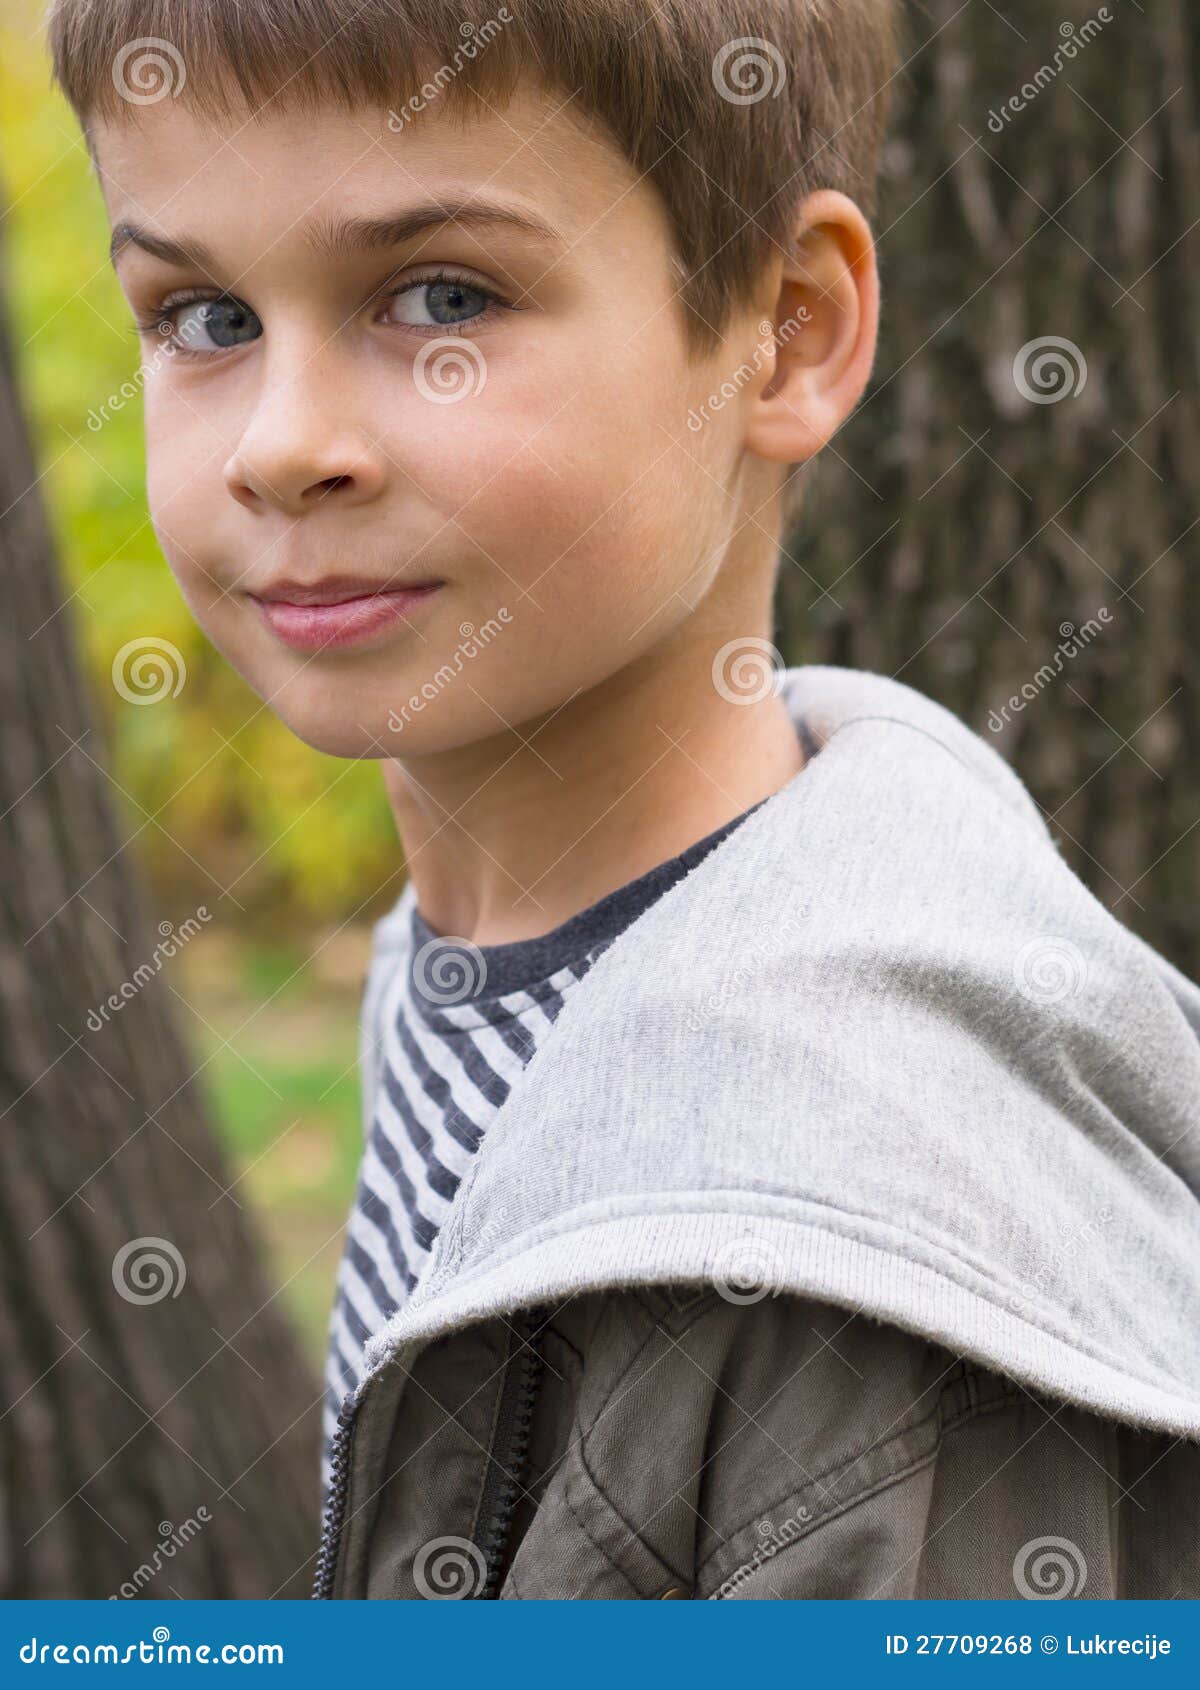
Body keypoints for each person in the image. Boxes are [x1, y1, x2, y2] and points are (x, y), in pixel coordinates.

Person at [48, 0, 1200, 1599]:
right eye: (202, 317)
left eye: (441, 298)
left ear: (787, 330)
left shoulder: (850, 1260)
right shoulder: (468, 972)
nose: (284, 444)